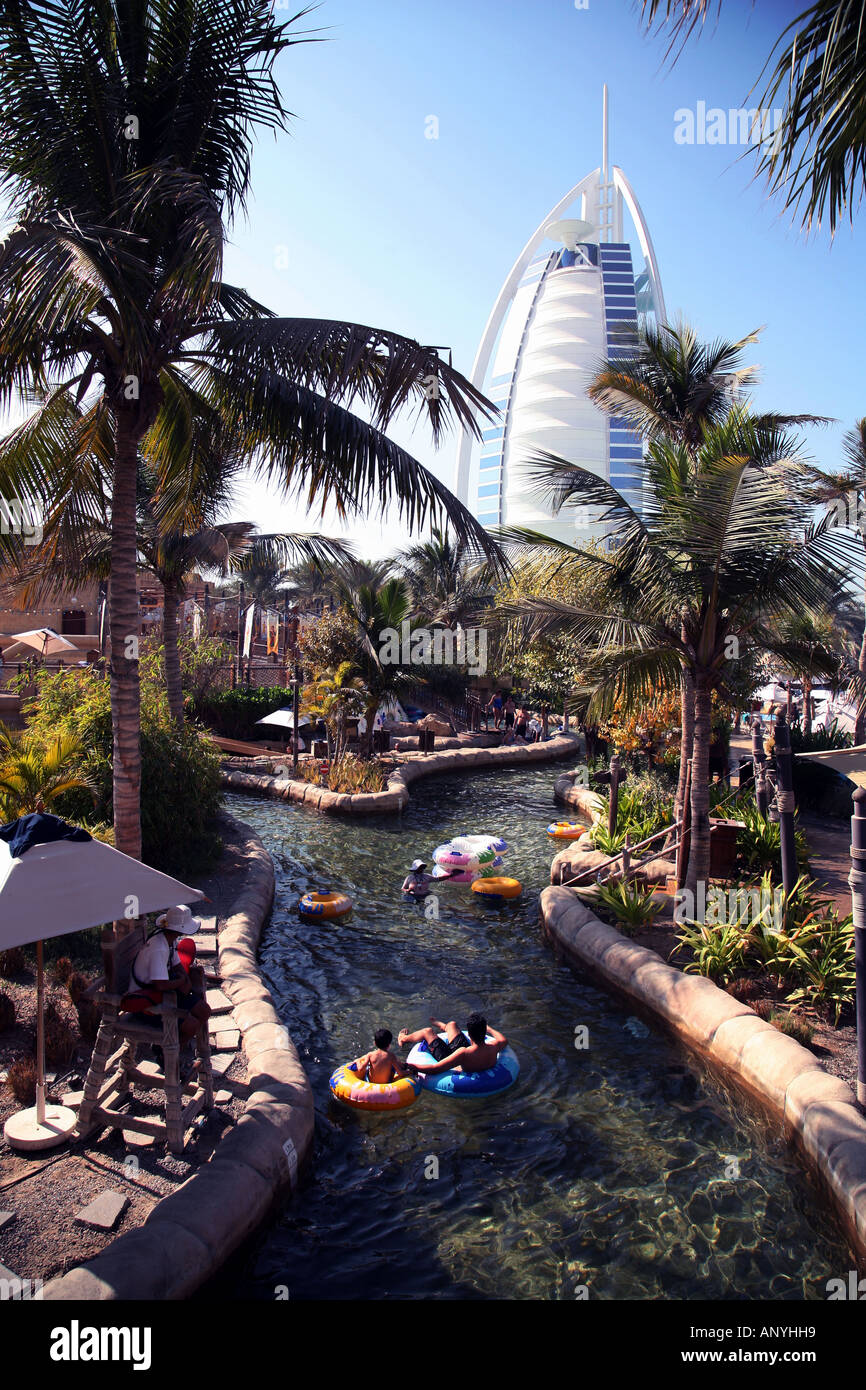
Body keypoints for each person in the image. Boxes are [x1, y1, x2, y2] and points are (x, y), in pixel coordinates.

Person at [130, 904, 211, 1045]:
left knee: (204, 1011)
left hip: (163, 993)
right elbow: (160, 985)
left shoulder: (169, 940)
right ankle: (167, 1052)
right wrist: (181, 982)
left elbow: (177, 964)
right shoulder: (159, 948)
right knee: (190, 1025)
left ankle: (180, 1045)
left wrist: (185, 980)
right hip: (145, 1002)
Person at [398, 1013, 508, 1075]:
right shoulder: (494, 1047)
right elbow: (504, 1040)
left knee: (427, 1032)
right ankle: (444, 1026)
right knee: (452, 1025)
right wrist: (490, 1029)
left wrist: (408, 1065)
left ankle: (403, 1038)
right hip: (468, 1052)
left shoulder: (464, 1053)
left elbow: (435, 1068)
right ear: (484, 1032)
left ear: (469, 1034)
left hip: (455, 1061)